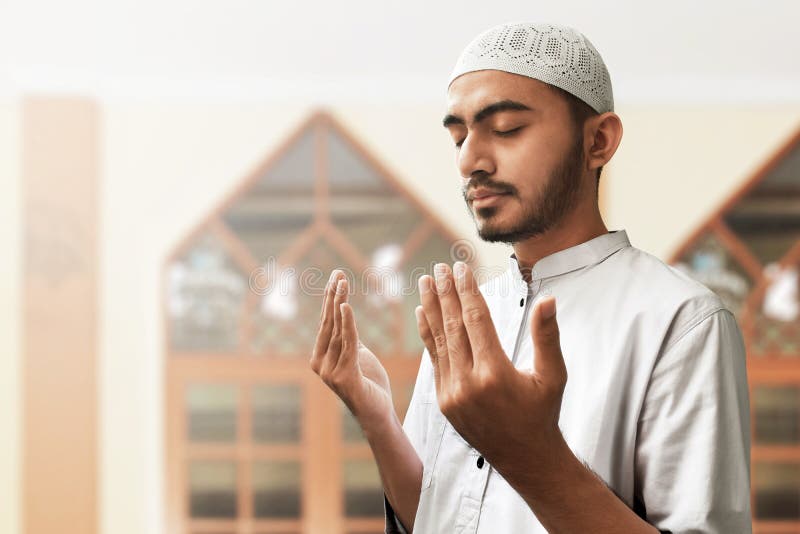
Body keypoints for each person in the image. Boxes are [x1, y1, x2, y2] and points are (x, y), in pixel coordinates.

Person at [310, 22, 751, 534]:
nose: (470, 161)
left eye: (506, 130)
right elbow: (437, 517)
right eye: (458, 137)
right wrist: (378, 421)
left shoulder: (682, 322)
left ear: (598, 142)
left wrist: (534, 455)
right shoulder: (468, 315)